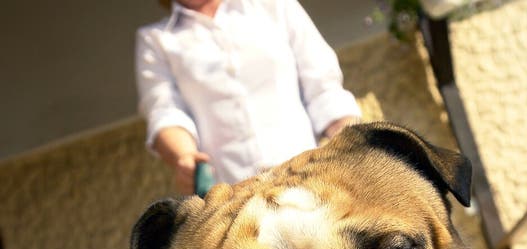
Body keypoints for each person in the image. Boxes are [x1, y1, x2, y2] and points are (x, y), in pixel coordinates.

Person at [135, 0, 362, 194]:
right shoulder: (155, 40)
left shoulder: (275, 5)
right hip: (235, 199)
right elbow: (165, 111)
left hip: (312, 177)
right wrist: (183, 156)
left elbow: (322, 84)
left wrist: (351, 142)